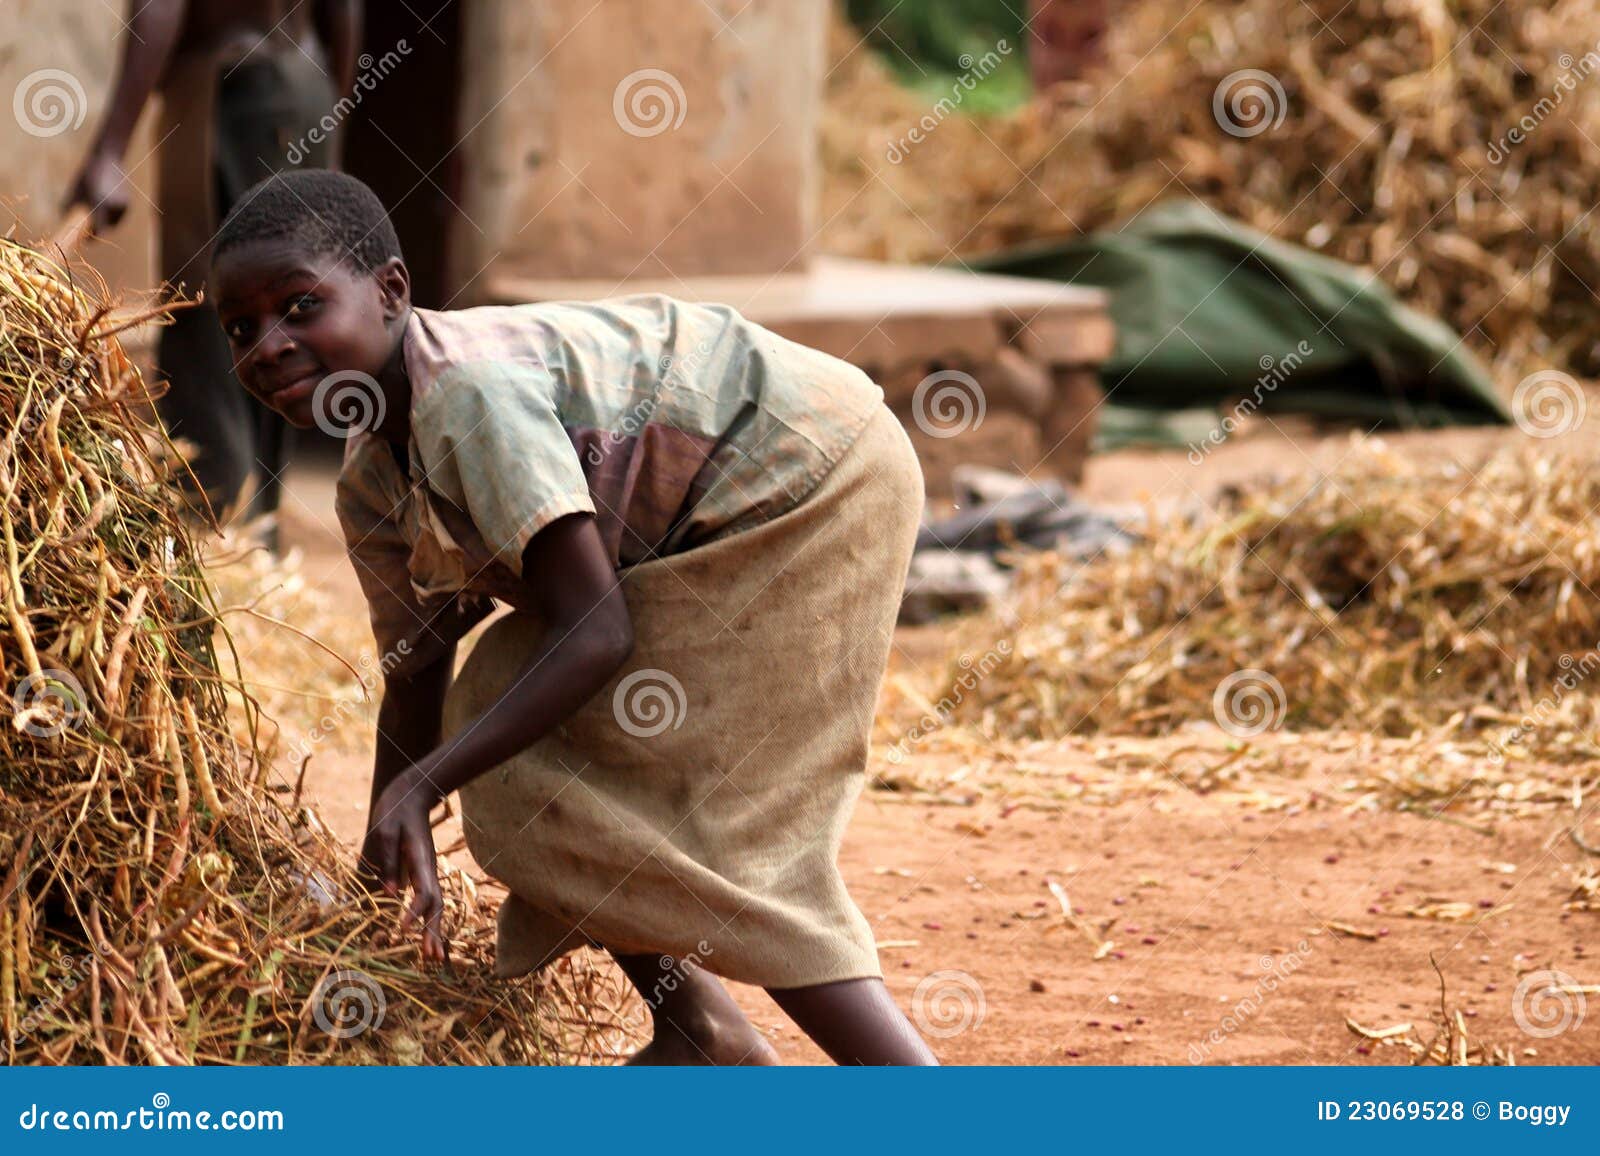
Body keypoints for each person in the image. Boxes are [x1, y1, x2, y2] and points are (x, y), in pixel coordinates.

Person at [210, 170, 937, 1066]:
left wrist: (425, 786)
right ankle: (698, 1032)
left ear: (393, 290)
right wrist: (374, 892)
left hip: (808, 480)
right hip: (710, 517)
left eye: (299, 305)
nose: (269, 346)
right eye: (240, 329)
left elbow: (596, 632)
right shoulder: (370, 480)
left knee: (734, 838)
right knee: (518, 738)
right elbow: (416, 669)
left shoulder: (468, 396)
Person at [65, 0, 359, 549]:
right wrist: (328, 116)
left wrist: (110, 148)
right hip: (303, 84)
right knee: (288, 310)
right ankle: (257, 529)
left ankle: (210, 532)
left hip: (230, 93)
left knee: (201, 306)